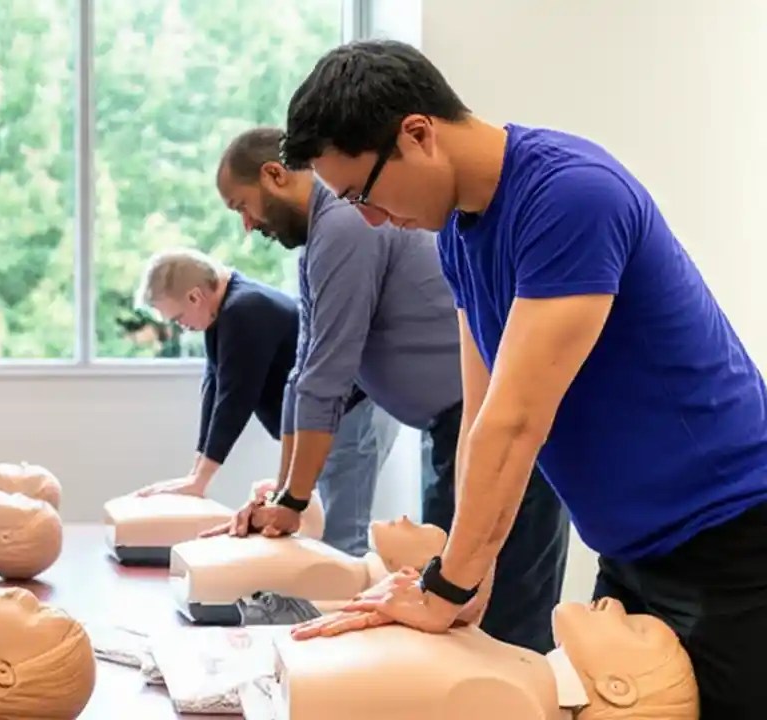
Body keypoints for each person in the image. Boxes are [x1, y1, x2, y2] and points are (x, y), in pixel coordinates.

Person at [279, 38, 767, 718]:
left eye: (362, 193)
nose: (367, 219)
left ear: (417, 134)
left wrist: (444, 588)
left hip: (729, 539)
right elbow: (479, 421)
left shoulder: (571, 197)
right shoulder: (457, 237)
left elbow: (516, 424)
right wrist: (460, 572)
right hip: (631, 549)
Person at [209, 126, 569, 654]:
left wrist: (294, 500)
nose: (246, 225)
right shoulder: (318, 245)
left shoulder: (345, 225)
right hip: (450, 432)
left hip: (492, 436)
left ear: (274, 175)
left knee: (500, 622)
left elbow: (329, 374)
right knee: (451, 617)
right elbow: (304, 375)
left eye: (243, 206)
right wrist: (283, 493)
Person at [130, 246, 400, 556]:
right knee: (326, 528)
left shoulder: (246, 309)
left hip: (351, 414)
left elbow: (236, 398)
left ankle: (347, 601)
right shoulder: (224, 313)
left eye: (178, 318)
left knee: (342, 535)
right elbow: (215, 386)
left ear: (195, 296)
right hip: (329, 418)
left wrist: (200, 479)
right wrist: (196, 474)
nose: (181, 327)